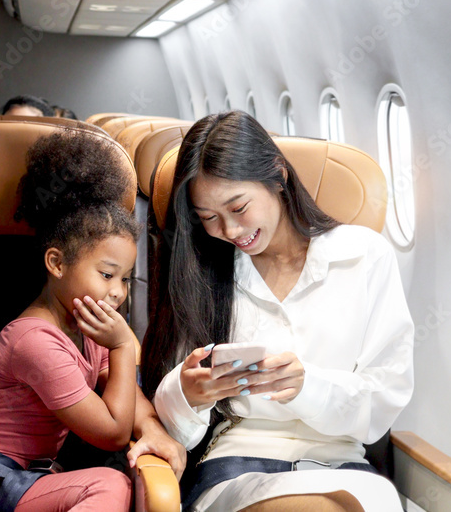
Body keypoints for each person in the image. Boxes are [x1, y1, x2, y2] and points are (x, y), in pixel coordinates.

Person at [0, 130, 185, 511]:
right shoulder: (34, 340)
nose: (118, 292)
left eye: (126, 279)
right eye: (107, 274)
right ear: (57, 263)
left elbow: (129, 398)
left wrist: (151, 429)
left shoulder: (92, 330)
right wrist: (122, 344)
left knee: (111, 484)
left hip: (15, 484)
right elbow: (113, 432)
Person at [141, 111, 413, 512]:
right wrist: (188, 393)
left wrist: (307, 385)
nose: (230, 231)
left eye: (238, 208)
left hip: (343, 463)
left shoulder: (365, 256)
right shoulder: (201, 270)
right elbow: (173, 423)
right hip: (237, 463)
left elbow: (385, 395)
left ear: (278, 176)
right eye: (209, 219)